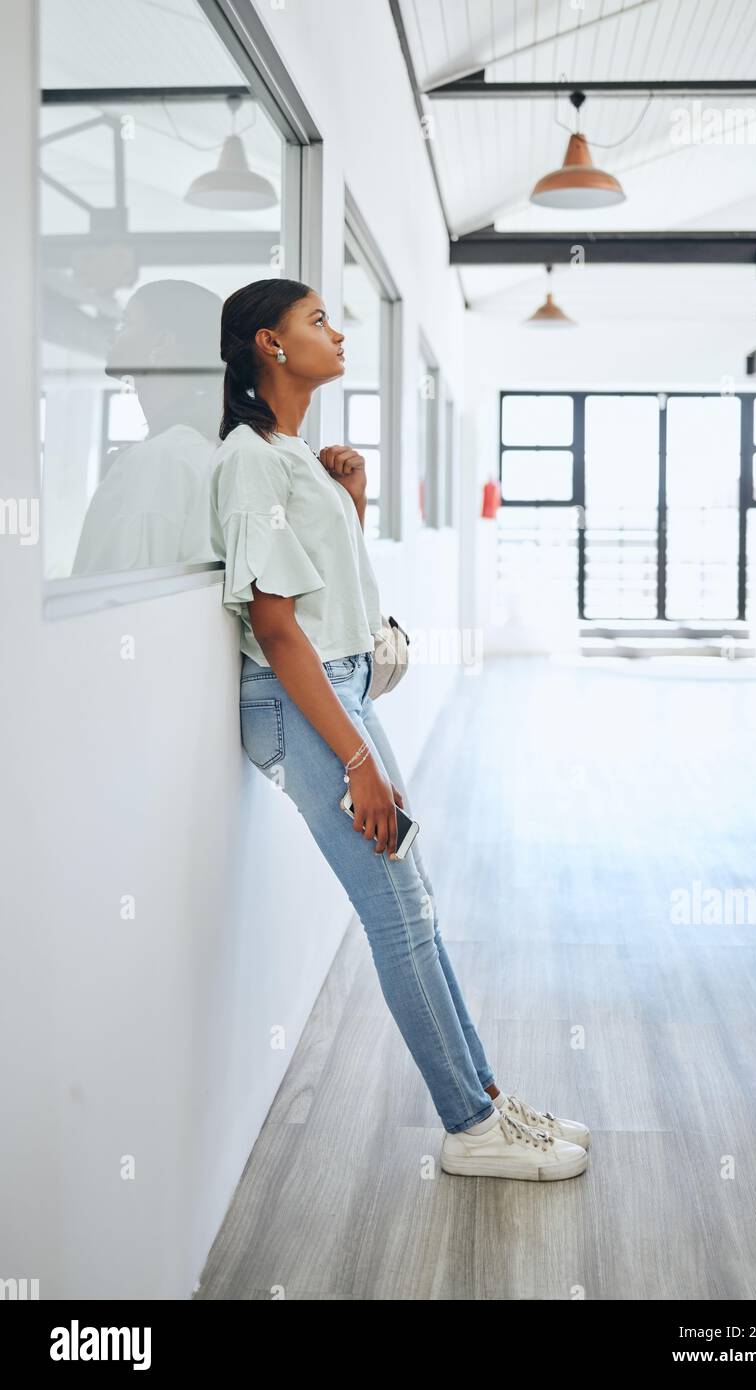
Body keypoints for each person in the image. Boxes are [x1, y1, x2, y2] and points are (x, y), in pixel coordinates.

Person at [209, 277, 591, 1180]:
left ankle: (488, 1102)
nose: (336, 334)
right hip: (309, 710)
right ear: (269, 344)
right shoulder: (251, 459)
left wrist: (355, 498)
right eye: (316, 321)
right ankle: (468, 1127)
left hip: (340, 695)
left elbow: (332, 593)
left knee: (415, 912)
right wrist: (354, 758)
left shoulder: (293, 456)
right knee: (398, 918)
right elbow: (273, 627)